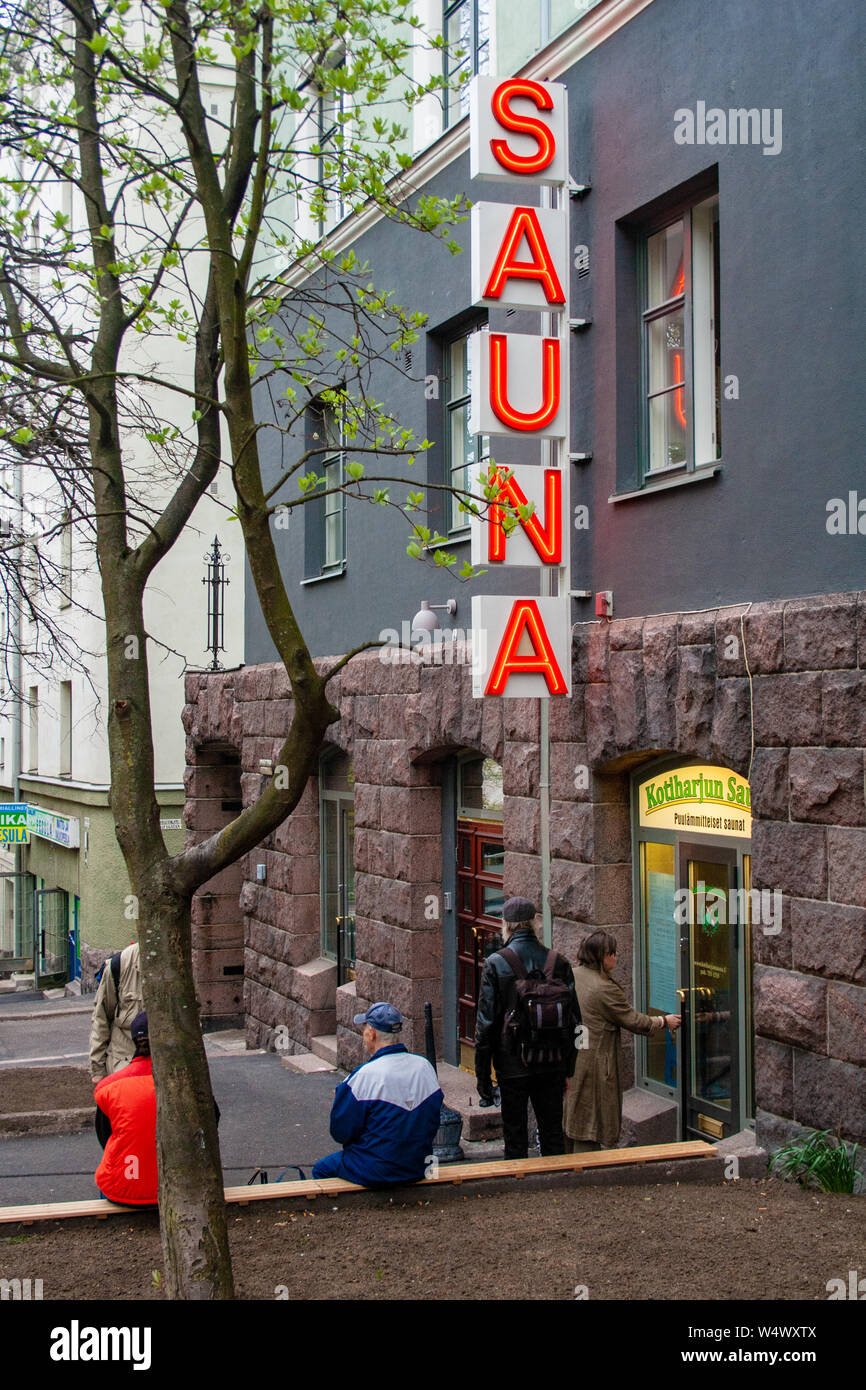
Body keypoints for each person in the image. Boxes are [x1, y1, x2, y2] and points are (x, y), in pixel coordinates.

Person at [474, 896, 578, 1159]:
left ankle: (517, 1187)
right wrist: (568, 1068)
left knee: (515, 1135)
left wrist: (484, 1080)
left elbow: (486, 1026)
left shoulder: (496, 964)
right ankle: (556, 1185)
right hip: (552, 1062)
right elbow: (576, 1022)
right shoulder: (559, 962)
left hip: (512, 1065)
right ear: (534, 923)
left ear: (506, 926)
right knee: (553, 1133)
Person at [564, 930, 681, 1151]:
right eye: (612, 953)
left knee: (576, 1115)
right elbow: (632, 1019)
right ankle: (587, 1174)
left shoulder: (573, 975)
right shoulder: (603, 988)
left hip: (577, 1055)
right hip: (597, 1062)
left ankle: (574, 1166)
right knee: (591, 1122)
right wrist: (663, 1021)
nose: (616, 957)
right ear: (602, 956)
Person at [312, 1003, 443, 1187]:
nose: (364, 1035)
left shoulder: (363, 1077)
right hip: (419, 1165)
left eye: (365, 1029)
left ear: (372, 1033)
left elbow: (340, 1132)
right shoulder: (425, 1067)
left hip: (375, 1170)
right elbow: (432, 1120)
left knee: (321, 1169)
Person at [94, 1010, 158, 1206]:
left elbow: (105, 1137)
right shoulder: (188, 1082)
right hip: (178, 1186)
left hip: (122, 1187)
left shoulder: (109, 1087)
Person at [89, 939, 143, 1083]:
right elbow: (101, 1019)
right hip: (124, 1064)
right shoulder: (119, 965)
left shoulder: (179, 964)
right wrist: (98, 1069)